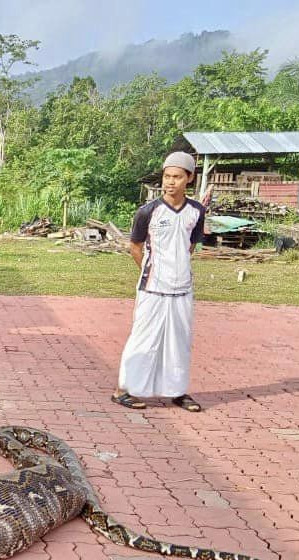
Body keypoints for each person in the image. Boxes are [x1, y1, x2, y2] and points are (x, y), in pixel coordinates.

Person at [112, 151, 205, 412]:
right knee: (143, 338)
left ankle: (177, 391)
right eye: (167, 176)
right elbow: (134, 246)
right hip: (153, 287)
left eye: (177, 177)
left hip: (182, 288)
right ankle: (123, 390)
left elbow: (190, 247)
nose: (170, 182)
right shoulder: (148, 211)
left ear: (189, 178)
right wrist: (151, 271)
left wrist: (179, 271)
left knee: (180, 340)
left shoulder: (197, 212)